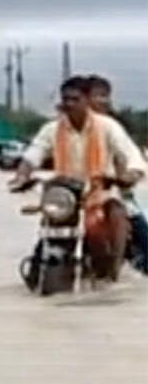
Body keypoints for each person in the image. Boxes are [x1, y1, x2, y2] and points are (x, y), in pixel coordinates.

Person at [11, 75, 145, 277]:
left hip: (105, 193)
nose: (69, 104)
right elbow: (33, 154)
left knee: (127, 220)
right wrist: (22, 176)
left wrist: (129, 174)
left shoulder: (108, 126)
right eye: (65, 99)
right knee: (40, 255)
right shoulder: (52, 129)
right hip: (67, 197)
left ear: (86, 101)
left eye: (75, 99)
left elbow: (129, 154)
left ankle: (114, 269)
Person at [87, 74, 148, 274]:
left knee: (141, 232)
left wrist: (129, 175)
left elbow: (131, 157)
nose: (102, 101)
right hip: (77, 194)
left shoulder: (116, 127)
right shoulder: (63, 128)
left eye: (106, 96)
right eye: (97, 95)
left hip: (113, 190)